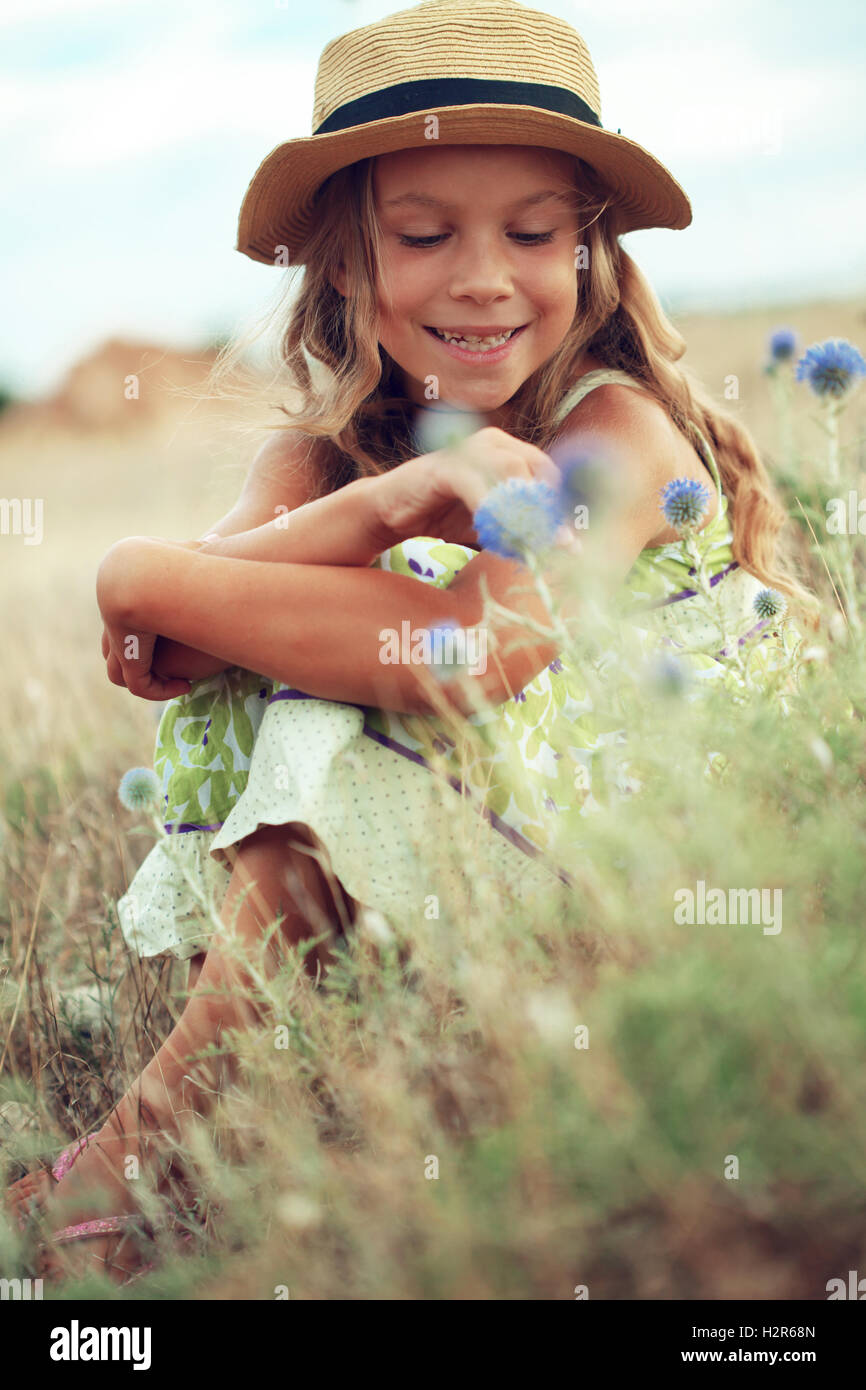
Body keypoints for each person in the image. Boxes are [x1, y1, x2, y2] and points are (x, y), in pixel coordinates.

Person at [7, 0, 816, 1283]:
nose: (485, 277)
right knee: (313, 691)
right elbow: (178, 649)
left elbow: (479, 646)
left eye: (534, 233)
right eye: (424, 234)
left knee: (345, 709)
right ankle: (132, 1172)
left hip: (660, 878)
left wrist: (140, 571)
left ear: (589, 253)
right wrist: (372, 506)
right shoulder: (320, 457)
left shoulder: (615, 434)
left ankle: (116, 1166)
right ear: (341, 262)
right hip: (472, 881)